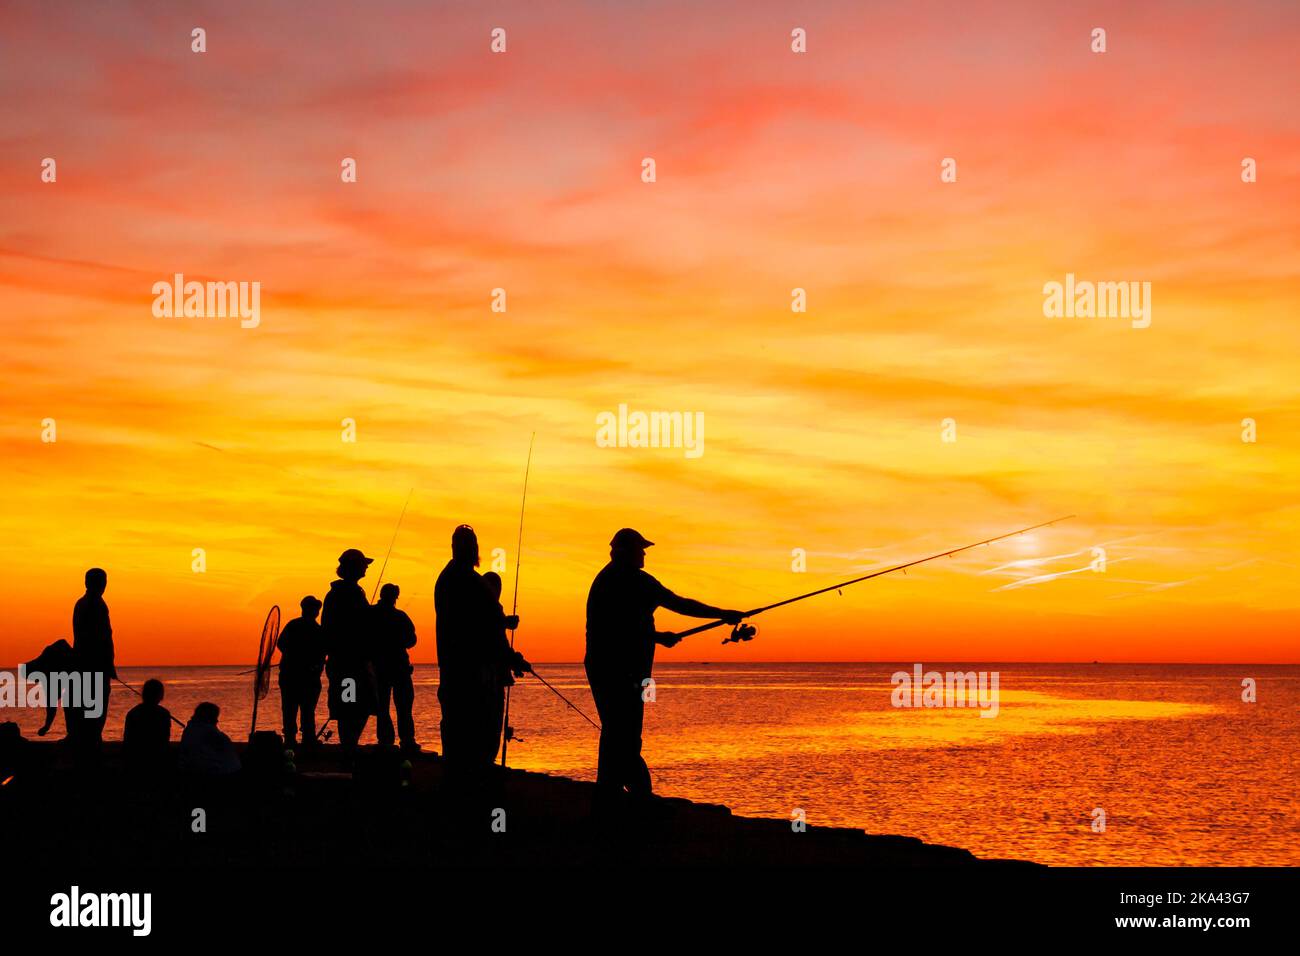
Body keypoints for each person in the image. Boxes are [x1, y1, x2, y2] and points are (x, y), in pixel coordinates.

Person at [585, 528, 744, 810]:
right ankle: (634, 795)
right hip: (625, 670)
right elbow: (678, 604)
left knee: (615, 730)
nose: (644, 553)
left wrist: (657, 637)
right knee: (626, 731)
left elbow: (621, 627)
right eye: (640, 548)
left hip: (605, 666)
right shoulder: (634, 580)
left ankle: (611, 793)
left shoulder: (606, 579)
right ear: (628, 551)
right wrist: (723, 614)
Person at [435, 525, 524, 778]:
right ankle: (473, 786)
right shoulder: (470, 582)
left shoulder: (446, 578)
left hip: (453, 669)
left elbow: (477, 623)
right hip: (476, 673)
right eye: (470, 544)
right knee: (480, 731)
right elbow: (484, 629)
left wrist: (502, 626)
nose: (472, 549)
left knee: (456, 732)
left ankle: (457, 785)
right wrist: (510, 653)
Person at [322, 549, 377, 756]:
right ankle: (348, 748)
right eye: (363, 564)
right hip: (348, 665)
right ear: (353, 568)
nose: (366, 568)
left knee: (356, 705)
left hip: (351, 663)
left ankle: (349, 746)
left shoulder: (345, 593)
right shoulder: (346, 594)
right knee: (350, 706)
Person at [481, 572, 529, 764]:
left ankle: (485, 762)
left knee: (490, 723)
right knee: (491, 723)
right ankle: (486, 763)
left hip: (494, 674)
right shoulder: (488, 610)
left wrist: (514, 661)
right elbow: (495, 644)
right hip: (490, 678)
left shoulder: (489, 610)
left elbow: (500, 645)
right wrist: (515, 661)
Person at [70, 568, 115, 753]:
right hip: (95, 665)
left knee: (85, 711)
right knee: (95, 711)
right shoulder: (96, 604)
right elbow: (103, 637)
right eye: (102, 581)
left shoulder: (81, 603)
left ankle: (88, 743)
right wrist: (108, 664)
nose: (104, 585)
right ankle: (92, 745)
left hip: (83, 664)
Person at [373, 583, 419, 754]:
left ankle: (385, 740)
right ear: (395, 597)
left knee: (383, 707)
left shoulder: (371, 614)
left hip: (380, 668)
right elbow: (411, 641)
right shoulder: (400, 616)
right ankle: (407, 741)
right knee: (404, 706)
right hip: (398, 667)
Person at [277, 596, 326, 749]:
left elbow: (281, 644)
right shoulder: (317, 630)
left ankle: (291, 739)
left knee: (290, 708)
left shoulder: (293, 625)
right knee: (307, 709)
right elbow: (323, 651)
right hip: (306, 677)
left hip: (290, 675)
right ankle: (308, 738)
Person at [23, 639, 77, 738]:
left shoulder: (49, 656)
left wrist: (46, 727)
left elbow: (51, 706)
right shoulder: (47, 655)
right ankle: (74, 734)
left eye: (34, 678)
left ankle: (74, 735)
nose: (36, 682)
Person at [122, 678, 172, 773]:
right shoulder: (163, 714)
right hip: (156, 760)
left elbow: (127, 739)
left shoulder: (133, 712)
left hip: (134, 760)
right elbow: (165, 740)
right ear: (161, 695)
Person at [178, 702, 240, 776]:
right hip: (214, 771)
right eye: (215, 717)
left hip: (198, 768)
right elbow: (226, 744)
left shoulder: (190, 729)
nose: (217, 720)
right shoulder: (209, 731)